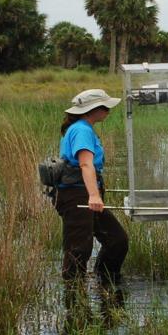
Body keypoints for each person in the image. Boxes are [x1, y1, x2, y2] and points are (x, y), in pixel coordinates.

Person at [56, 88, 129, 289]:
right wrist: (94, 196)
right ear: (93, 109)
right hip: (77, 195)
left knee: (116, 240)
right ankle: (74, 295)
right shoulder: (82, 130)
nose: (108, 110)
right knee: (79, 249)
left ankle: (105, 281)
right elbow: (85, 164)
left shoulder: (83, 128)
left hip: (84, 193)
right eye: (105, 107)